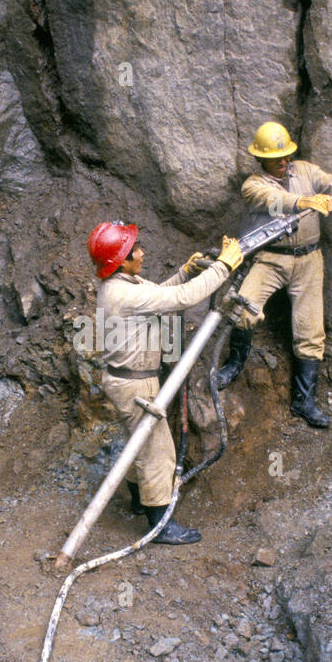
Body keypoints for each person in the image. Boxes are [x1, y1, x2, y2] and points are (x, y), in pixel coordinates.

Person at [212, 121, 332, 428]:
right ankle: (234, 364)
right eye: (276, 157)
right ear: (260, 159)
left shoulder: (305, 170)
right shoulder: (252, 184)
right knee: (243, 308)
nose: (284, 161)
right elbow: (273, 201)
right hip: (271, 259)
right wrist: (303, 201)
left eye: (287, 154)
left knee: (310, 331)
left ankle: (304, 401)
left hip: (308, 261)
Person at [87, 220, 244, 543]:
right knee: (158, 451)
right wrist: (225, 266)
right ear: (120, 261)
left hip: (122, 380)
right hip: (136, 386)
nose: (142, 254)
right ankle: (159, 525)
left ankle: (136, 500)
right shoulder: (123, 293)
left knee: (138, 443)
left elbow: (158, 294)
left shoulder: (119, 284)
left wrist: (186, 272)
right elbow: (183, 299)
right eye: (135, 252)